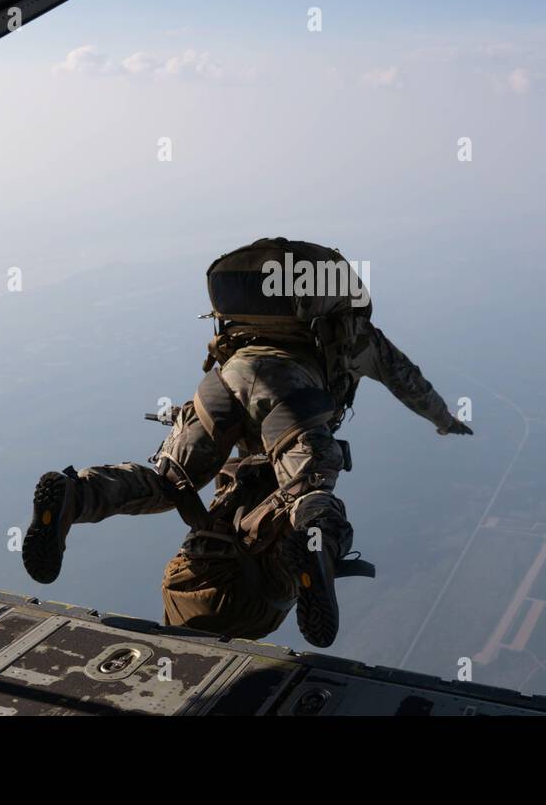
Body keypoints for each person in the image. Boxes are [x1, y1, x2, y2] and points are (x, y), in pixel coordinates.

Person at [23, 238, 472, 648]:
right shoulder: (357, 338)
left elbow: (241, 379)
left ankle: (74, 495)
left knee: (168, 481)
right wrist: (445, 420)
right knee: (310, 489)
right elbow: (409, 381)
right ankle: (314, 546)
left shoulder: (247, 329)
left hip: (220, 385)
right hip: (293, 397)